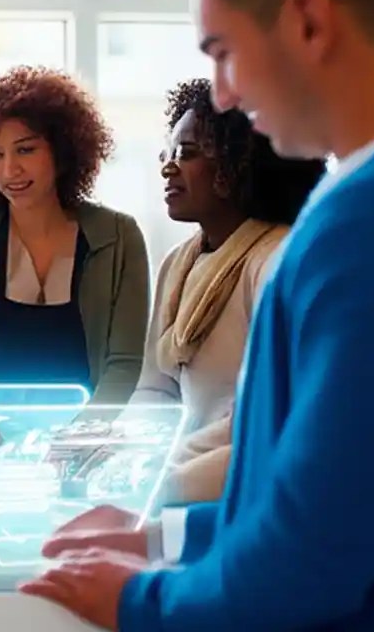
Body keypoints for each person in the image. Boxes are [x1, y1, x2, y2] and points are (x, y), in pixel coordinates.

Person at [23, 0, 374, 630]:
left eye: (223, 52)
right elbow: (337, 501)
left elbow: (314, 561)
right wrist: (161, 538)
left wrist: (135, 599)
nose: (220, 94)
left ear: (308, 21)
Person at [131, 78, 323, 504]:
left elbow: (262, 419)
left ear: (237, 165)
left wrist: (161, 477)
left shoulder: (275, 260)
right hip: (175, 478)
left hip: (239, 487)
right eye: (168, 153)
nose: (167, 167)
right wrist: (127, 453)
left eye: (187, 154)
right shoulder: (176, 263)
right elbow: (156, 386)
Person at [0, 66, 149, 432]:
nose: (9, 169)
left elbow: (123, 361)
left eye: (26, 149)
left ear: (62, 151)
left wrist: (79, 437)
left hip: (85, 444)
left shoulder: (119, 236)